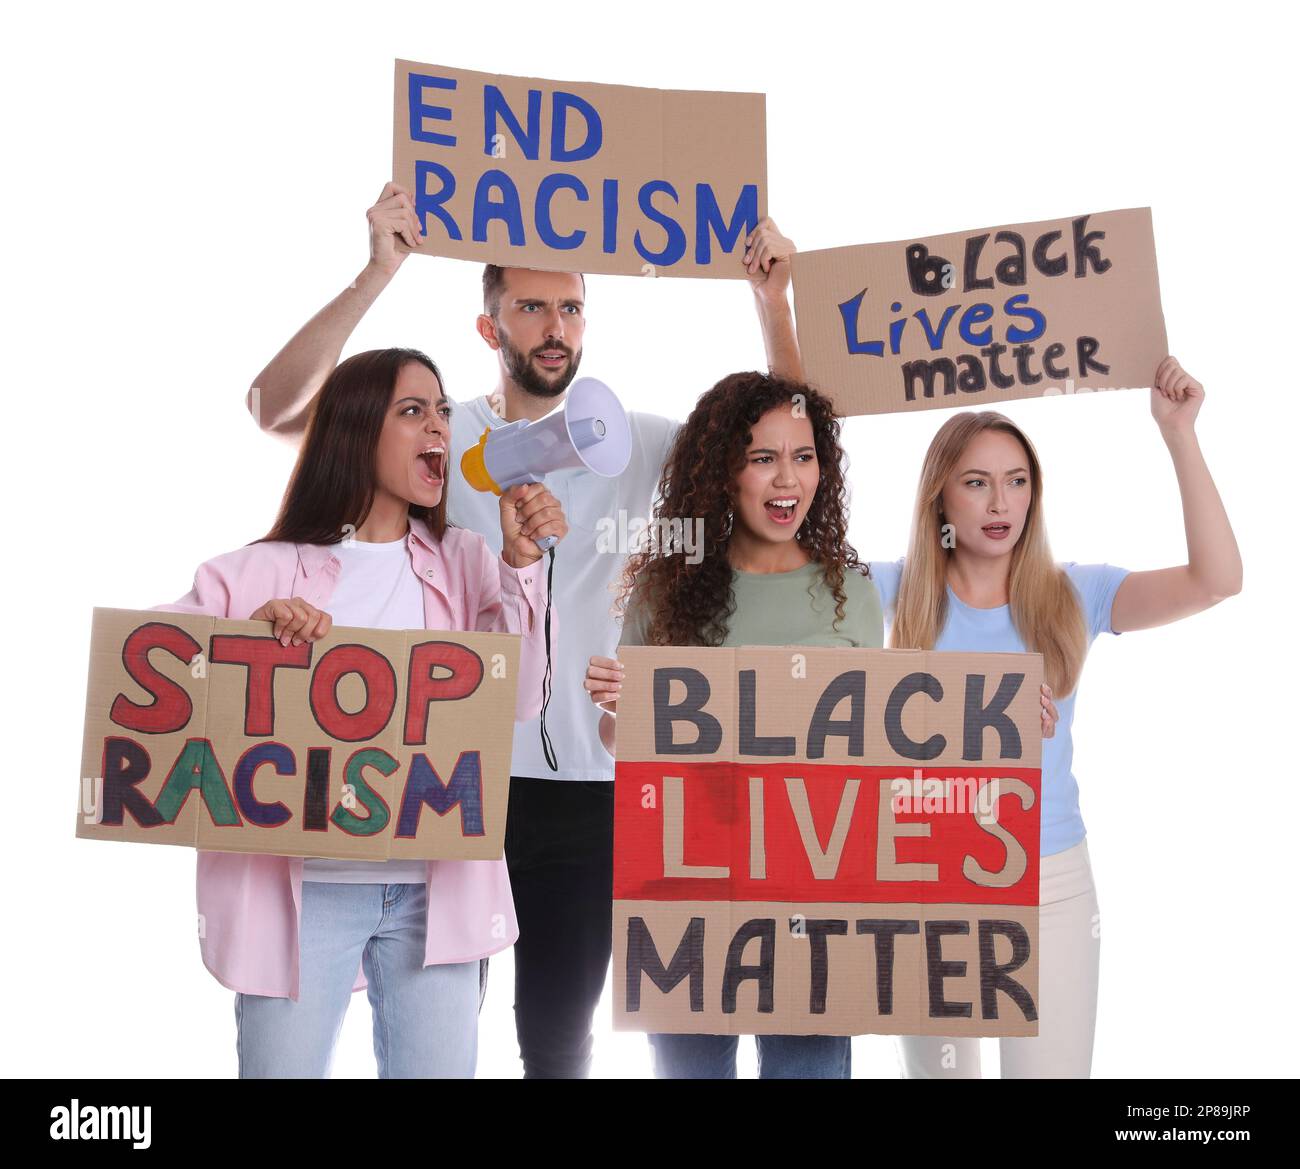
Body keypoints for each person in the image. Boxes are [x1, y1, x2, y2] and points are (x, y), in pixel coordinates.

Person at [246, 182, 800, 1077]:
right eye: (532, 305)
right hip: (449, 775)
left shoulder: (645, 443)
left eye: (572, 307)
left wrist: (771, 303)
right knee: (431, 1031)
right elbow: (275, 408)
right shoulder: (435, 437)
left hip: (587, 788)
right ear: (488, 324)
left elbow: (792, 447)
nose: (555, 325)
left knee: (557, 1041)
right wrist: (377, 270)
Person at [585, 371, 1056, 1077]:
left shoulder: (850, 591)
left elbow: (888, 761)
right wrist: (623, 711)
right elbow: (629, 752)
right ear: (722, 472)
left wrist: (1000, 726)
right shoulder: (665, 589)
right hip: (693, 899)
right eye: (763, 457)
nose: (788, 479)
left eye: (804, 457)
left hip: (819, 908)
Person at [158, 347, 567, 1077]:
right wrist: (250, 634)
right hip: (303, 892)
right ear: (353, 430)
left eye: (442, 409)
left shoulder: (469, 559)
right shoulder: (257, 571)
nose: (438, 424)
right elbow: (146, 666)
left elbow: (522, 691)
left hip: (431, 891)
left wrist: (523, 566)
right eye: (413, 410)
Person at [870, 356, 1241, 1078]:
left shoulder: (1076, 593)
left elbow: (1217, 580)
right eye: (976, 482)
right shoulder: (892, 590)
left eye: (1016, 480)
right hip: (926, 877)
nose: (999, 500)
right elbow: (777, 591)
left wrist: (1179, 434)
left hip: (1051, 881)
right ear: (940, 499)